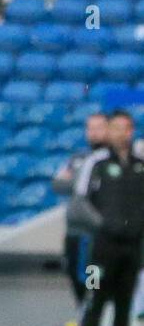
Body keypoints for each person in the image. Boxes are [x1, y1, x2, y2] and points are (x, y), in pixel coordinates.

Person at [75, 111, 144, 326]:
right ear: (108, 131)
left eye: (125, 128)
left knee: (125, 300)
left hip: (133, 245)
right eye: (115, 128)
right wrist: (102, 224)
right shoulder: (97, 163)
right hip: (102, 245)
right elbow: (80, 200)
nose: (121, 133)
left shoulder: (140, 165)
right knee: (95, 293)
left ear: (131, 131)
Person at [52, 113, 108, 309]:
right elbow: (58, 183)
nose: (93, 133)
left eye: (98, 127)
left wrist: (78, 180)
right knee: (76, 275)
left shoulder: (109, 161)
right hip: (75, 232)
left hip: (97, 235)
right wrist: (82, 180)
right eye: (90, 128)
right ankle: (86, 319)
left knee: (94, 280)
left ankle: (93, 321)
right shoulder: (79, 158)